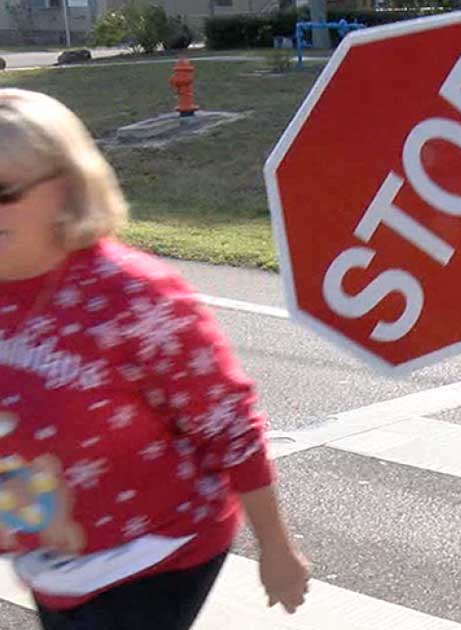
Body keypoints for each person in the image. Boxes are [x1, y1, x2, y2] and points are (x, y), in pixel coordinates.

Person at [0, 88, 310, 629]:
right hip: (51, 559)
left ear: (66, 189)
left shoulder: (133, 298)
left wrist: (277, 550)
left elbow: (229, 423)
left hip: (154, 552)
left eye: (3, 190)